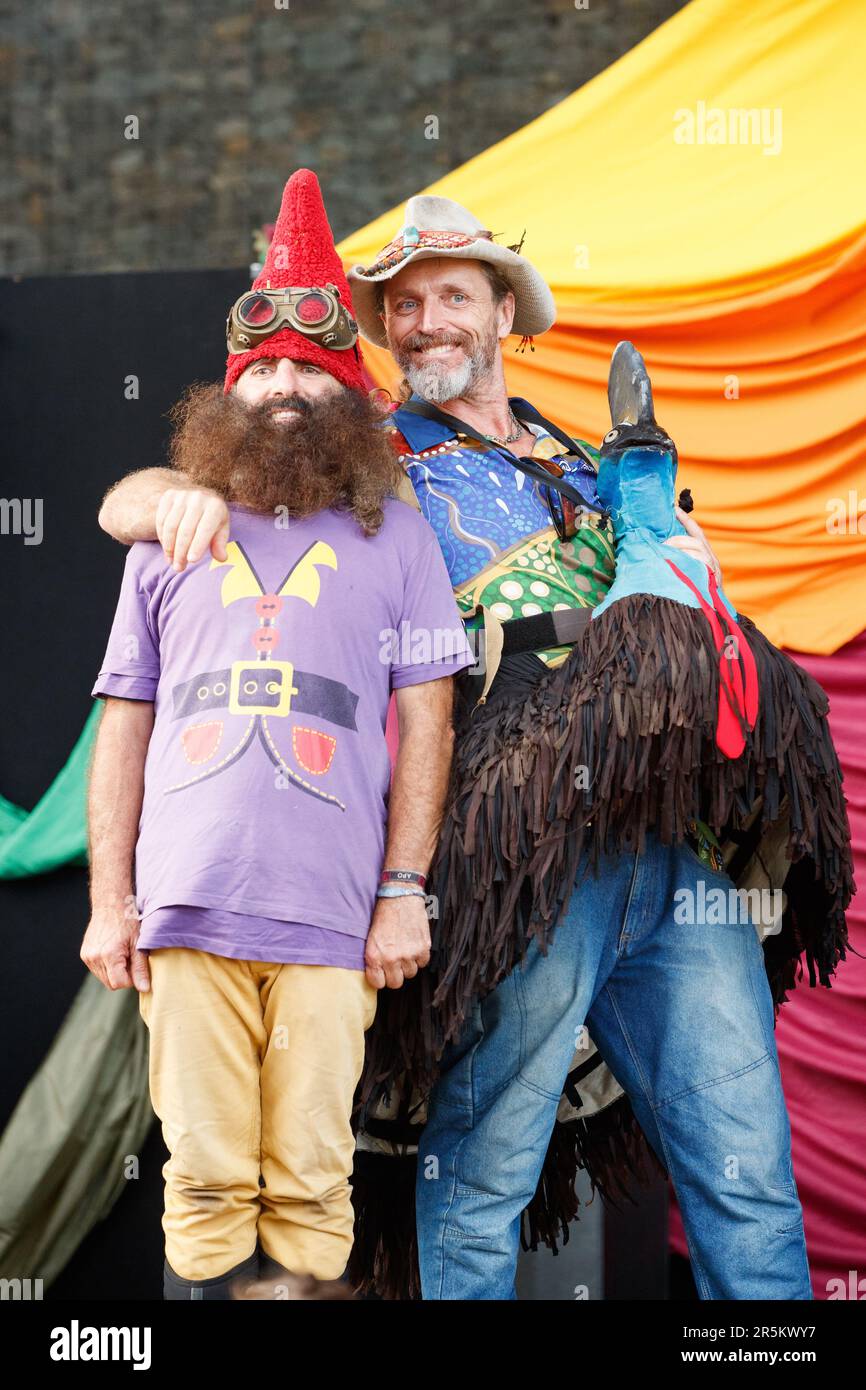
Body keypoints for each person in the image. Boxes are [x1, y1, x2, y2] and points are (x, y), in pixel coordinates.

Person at [97, 186, 851, 1302]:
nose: (422, 322)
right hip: (524, 868)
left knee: (746, 1170)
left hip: (672, 858)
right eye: (399, 306)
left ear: (506, 316)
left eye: (452, 296)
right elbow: (183, 488)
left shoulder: (582, 457)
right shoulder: (361, 471)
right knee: (481, 1177)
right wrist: (159, 500)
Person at [82, 169, 474, 1300]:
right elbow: (124, 724)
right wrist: (112, 900)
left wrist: (405, 887)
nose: (290, 387)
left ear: (351, 393)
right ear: (229, 397)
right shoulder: (165, 533)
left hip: (328, 916)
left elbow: (426, 715)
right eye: (267, 373)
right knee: (200, 1178)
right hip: (188, 908)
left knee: (311, 1178)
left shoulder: (397, 538)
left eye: (315, 366)